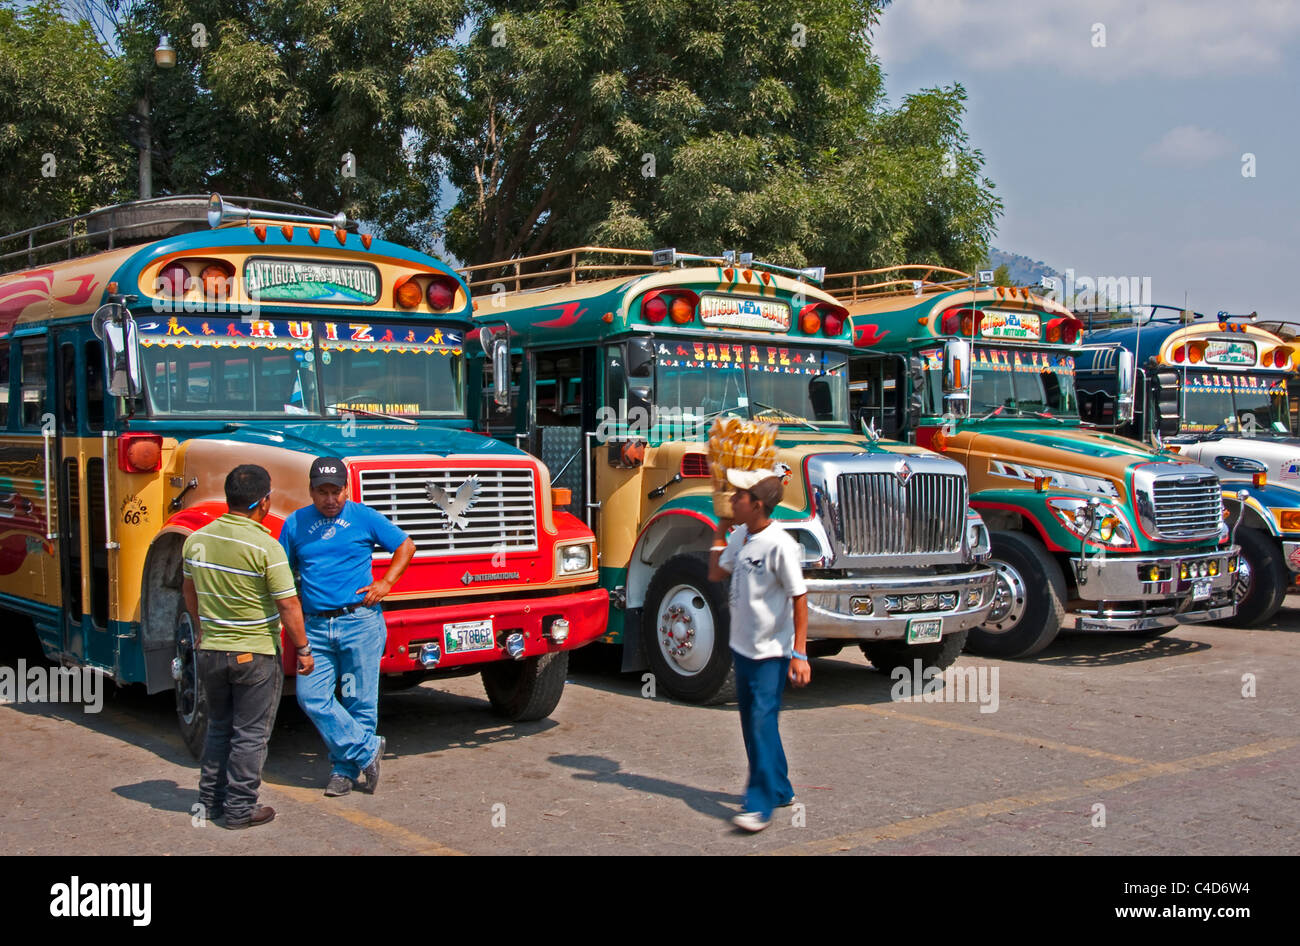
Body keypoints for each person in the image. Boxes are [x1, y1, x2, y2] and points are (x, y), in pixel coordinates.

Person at [182, 464, 314, 830]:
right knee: (250, 734)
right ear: (265, 502)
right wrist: (303, 649)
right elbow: (288, 604)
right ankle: (240, 808)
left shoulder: (196, 540)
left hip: (210, 650)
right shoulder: (267, 547)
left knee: (219, 727)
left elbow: (189, 590)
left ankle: (209, 801)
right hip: (255, 654)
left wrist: (200, 627)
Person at [279, 456, 415, 797]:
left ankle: (343, 770)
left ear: (347, 489)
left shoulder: (363, 517)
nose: (330, 499)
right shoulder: (295, 524)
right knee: (311, 697)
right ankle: (367, 749)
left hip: (360, 622)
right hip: (316, 628)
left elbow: (405, 545)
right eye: (322, 492)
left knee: (359, 701)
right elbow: (283, 573)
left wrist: (386, 583)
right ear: (310, 491)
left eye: (336, 491)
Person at [708, 468, 810, 833]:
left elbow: (800, 599)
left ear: (759, 505)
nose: (733, 500)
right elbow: (717, 573)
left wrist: (799, 653)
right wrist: (720, 530)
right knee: (755, 726)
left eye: (739, 497)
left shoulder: (780, 544)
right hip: (743, 649)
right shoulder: (741, 536)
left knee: (761, 721)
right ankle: (780, 789)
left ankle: (759, 804)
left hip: (771, 653)